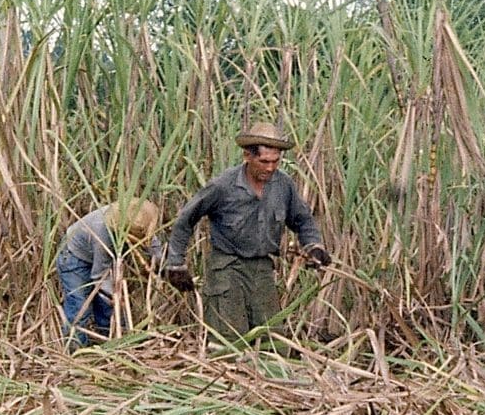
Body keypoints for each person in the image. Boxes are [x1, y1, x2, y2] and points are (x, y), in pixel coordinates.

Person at [162, 123, 330, 340]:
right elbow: (186, 220)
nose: (270, 168)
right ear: (247, 157)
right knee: (228, 340)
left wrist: (314, 246)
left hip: (262, 269)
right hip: (226, 267)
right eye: (264, 162)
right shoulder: (223, 186)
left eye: (275, 162)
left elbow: (303, 220)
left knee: (273, 340)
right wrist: (175, 264)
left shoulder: (283, 185)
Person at [56, 198, 162, 348]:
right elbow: (99, 275)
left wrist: (165, 264)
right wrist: (116, 296)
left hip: (99, 260)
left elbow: (151, 243)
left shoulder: (139, 219)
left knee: (107, 308)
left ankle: (110, 346)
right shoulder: (103, 231)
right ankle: (75, 353)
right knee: (80, 308)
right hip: (74, 258)